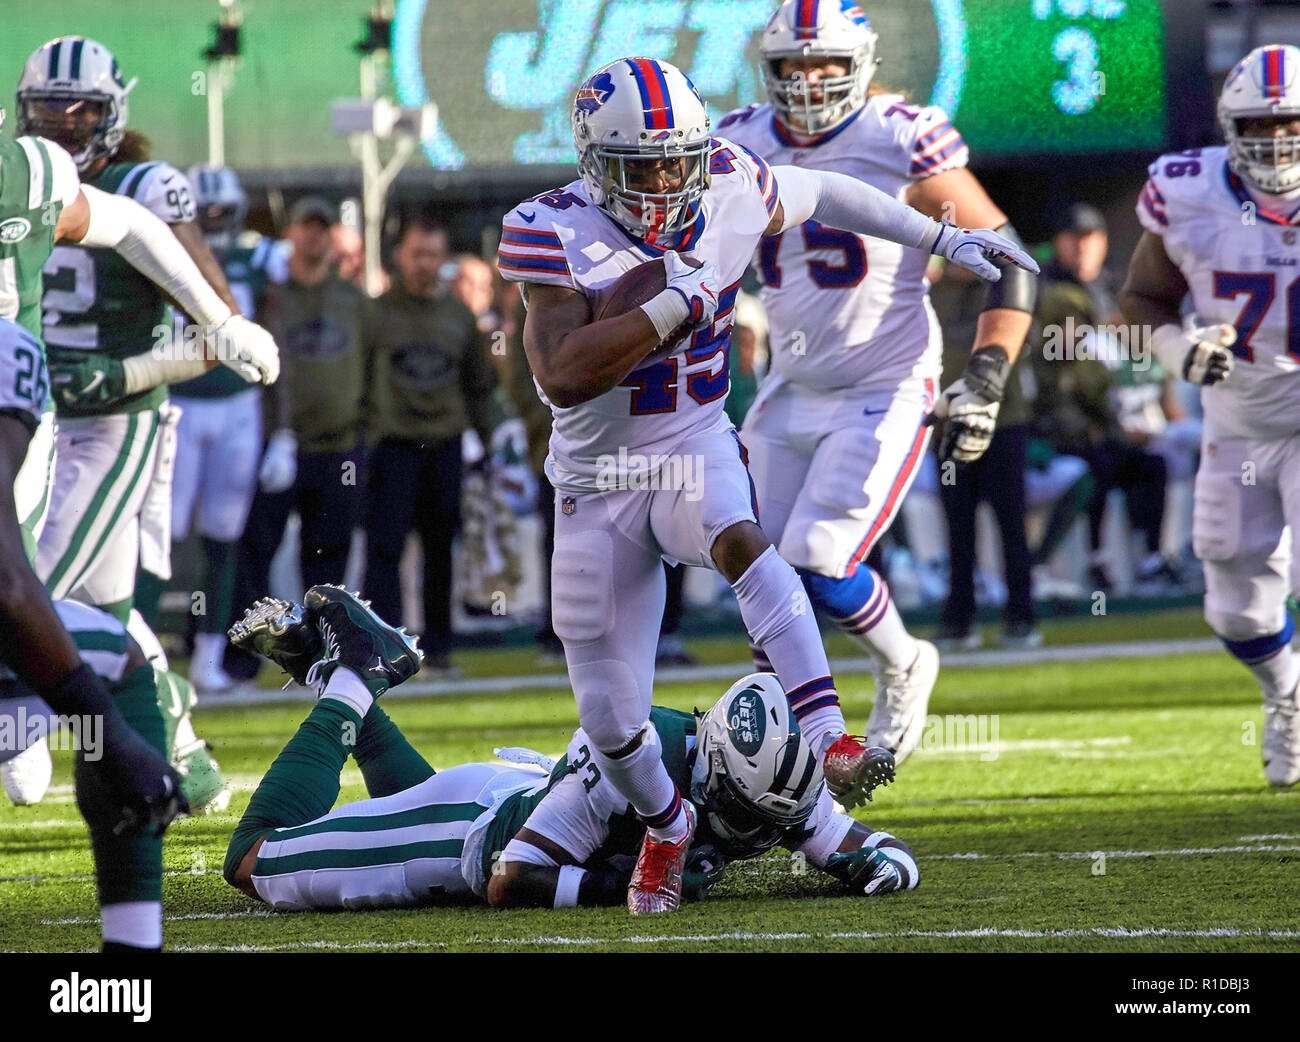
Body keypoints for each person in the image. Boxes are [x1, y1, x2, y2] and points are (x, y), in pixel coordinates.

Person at [498, 54, 1034, 912]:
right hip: (596, 479)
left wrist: (939, 236)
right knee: (609, 721)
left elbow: (823, 192)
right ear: (596, 162)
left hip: (693, 439)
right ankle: (668, 828)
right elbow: (562, 374)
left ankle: (826, 736)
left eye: (678, 158)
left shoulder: (729, 177)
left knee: (745, 540)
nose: (669, 180)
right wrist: (673, 304)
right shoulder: (550, 225)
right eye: (645, 166)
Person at [0, 78, 282, 947]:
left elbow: (130, 226)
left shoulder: (34, 178)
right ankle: (133, 955)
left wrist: (218, 320)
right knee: (86, 670)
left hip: (92, 427)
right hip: (62, 417)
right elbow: (7, 584)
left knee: (101, 642)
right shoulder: (12, 348)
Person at [719, 1, 1038, 758]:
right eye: (793, 65)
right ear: (768, 71)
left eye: (825, 63)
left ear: (860, 64)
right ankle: (779, 754)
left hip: (884, 381)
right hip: (790, 385)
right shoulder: (736, 142)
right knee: (759, 577)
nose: (807, 80)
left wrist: (986, 377)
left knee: (823, 558)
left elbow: (1010, 264)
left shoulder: (901, 136)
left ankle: (904, 661)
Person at [222, 590, 913, 910]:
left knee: (405, 799)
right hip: (468, 835)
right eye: (745, 810)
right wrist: (628, 885)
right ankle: (356, 674)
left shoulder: (775, 777)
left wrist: (880, 866)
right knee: (251, 858)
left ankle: (324, 662)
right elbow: (510, 878)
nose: (762, 833)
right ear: (712, 765)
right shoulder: (631, 758)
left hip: (508, 795)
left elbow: (876, 849)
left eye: (774, 820)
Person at [1120, 44, 1300, 786]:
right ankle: (1287, 697)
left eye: (1290, 124)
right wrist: (1180, 353)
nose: (1277, 141)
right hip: (1237, 416)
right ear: (1231, 129)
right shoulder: (1186, 188)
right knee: (1234, 608)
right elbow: (1141, 298)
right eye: (1260, 127)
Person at [362, 218, 496, 676]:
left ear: (444, 260)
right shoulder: (376, 312)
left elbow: (478, 384)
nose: (424, 264)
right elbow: (357, 380)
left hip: (444, 443)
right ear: (400, 256)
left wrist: (487, 438)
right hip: (393, 443)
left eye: (433, 255)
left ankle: (439, 650)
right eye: (417, 253)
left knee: (441, 550)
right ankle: (383, 651)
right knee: (386, 551)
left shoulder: (458, 315)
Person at [231, 196, 368, 627]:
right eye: (306, 226)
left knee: (328, 560)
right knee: (254, 549)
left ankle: (326, 647)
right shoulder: (267, 297)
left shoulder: (353, 300)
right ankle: (241, 657)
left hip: (338, 446)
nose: (314, 235)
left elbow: (376, 363)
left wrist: (367, 432)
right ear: (289, 233)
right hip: (276, 446)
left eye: (322, 227)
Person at [169, 165, 279, 695]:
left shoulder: (258, 257)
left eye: (222, 212)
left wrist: (284, 433)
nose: (213, 222)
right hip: (180, 402)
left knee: (223, 536)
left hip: (239, 404)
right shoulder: (162, 249)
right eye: (204, 213)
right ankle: (143, 654)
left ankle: (208, 658)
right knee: (160, 534)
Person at [1035, 204, 1169, 591]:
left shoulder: (1114, 288)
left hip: (1119, 413)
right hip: (1066, 425)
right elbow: (1062, 369)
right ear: (1058, 243)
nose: (1083, 247)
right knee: (1100, 460)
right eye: (1074, 238)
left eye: (1090, 238)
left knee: (1151, 465)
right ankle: (1095, 561)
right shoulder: (1048, 289)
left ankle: (1151, 561)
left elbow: (1141, 358)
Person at [929, 260, 1038, 648]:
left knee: (1011, 526)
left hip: (1002, 424)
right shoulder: (934, 293)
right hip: (947, 428)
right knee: (958, 530)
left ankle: (1021, 617)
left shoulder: (1002, 289)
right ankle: (959, 620)